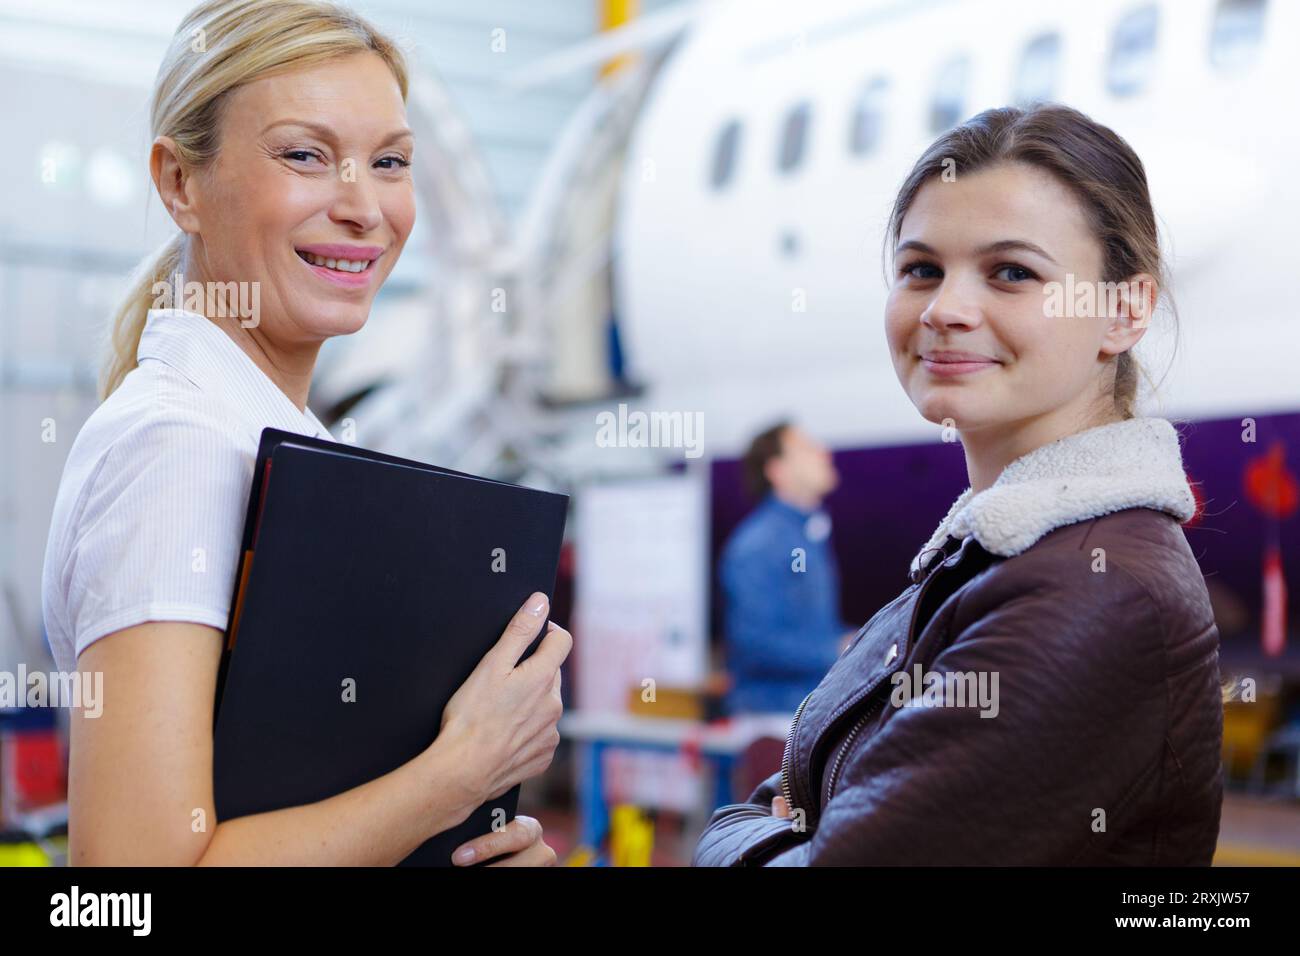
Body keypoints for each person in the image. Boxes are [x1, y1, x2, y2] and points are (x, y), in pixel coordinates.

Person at [40, 0, 569, 866]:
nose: (365, 208)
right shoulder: (178, 449)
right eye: (304, 155)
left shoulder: (275, 449)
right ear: (180, 184)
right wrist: (461, 772)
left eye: (390, 161)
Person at [694, 103, 1225, 865]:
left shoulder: (1092, 594)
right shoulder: (986, 556)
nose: (945, 310)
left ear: (1125, 309)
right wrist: (783, 828)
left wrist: (744, 833)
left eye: (1011, 272)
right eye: (921, 270)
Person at [719, 422, 852, 714]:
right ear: (776, 470)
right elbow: (754, 644)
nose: (823, 454)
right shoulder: (759, 543)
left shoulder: (806, 535)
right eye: (806, 449)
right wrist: (841, 649)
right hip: (774, 718)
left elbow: (811, 629)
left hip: (806, 711)